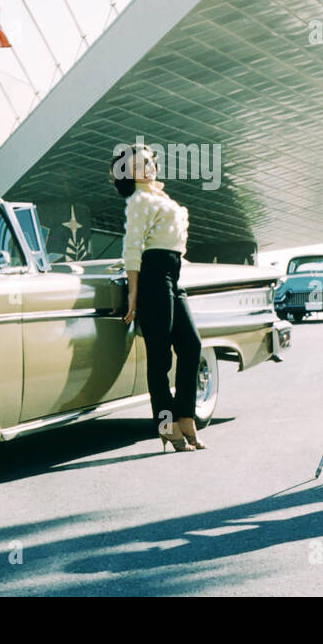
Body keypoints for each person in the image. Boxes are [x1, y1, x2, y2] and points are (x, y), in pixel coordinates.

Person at [110, 144, 205, 452]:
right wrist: (134, 294)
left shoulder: (159, 196)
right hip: (152, 276)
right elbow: (133, 247)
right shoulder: (139, 200)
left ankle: (186, 417)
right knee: (161, 356)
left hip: (171, 275)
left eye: (149, 161)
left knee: (191, 345)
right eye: (138, 165)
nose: (147, 168)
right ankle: (167, 425)